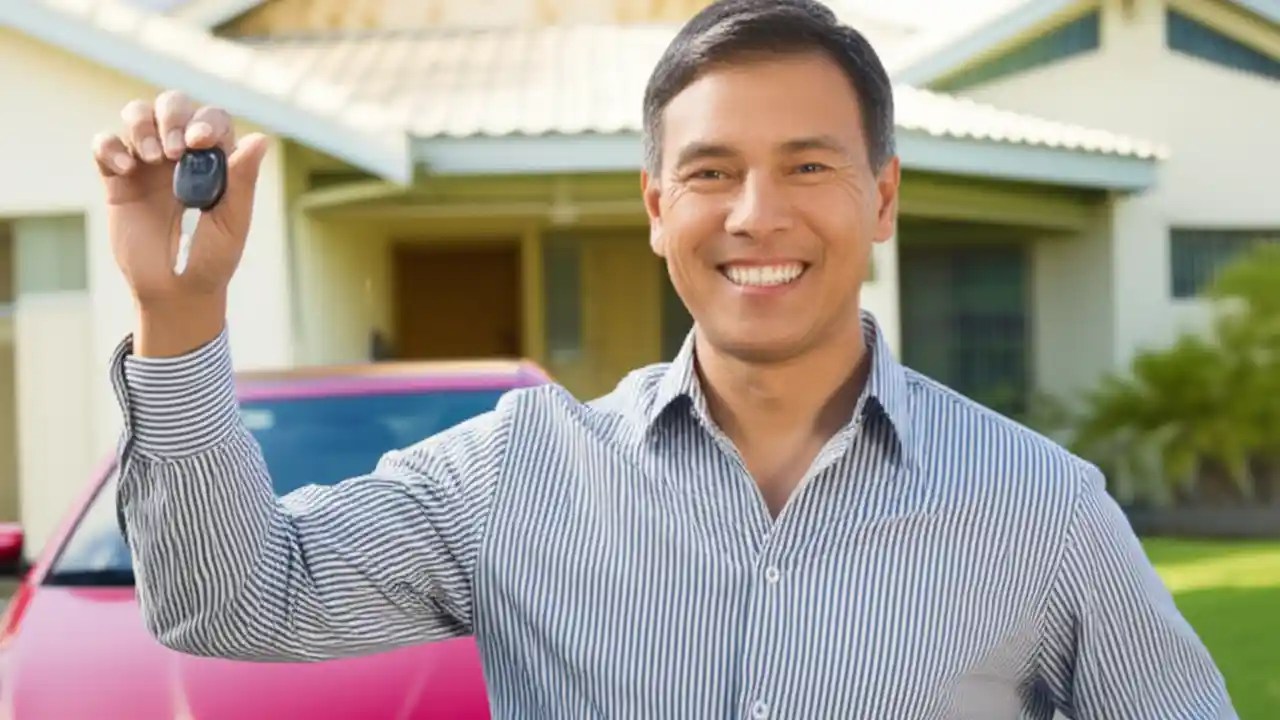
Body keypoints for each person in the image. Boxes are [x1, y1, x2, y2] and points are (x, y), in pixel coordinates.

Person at [95, 0, 1235, 717]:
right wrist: (177, 309)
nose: (753, 215)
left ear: (879, 196)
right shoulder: (511, 476)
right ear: (654, 206)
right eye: (708, 172)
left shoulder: (1040, 507)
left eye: (805, 167)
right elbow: (228, 605)